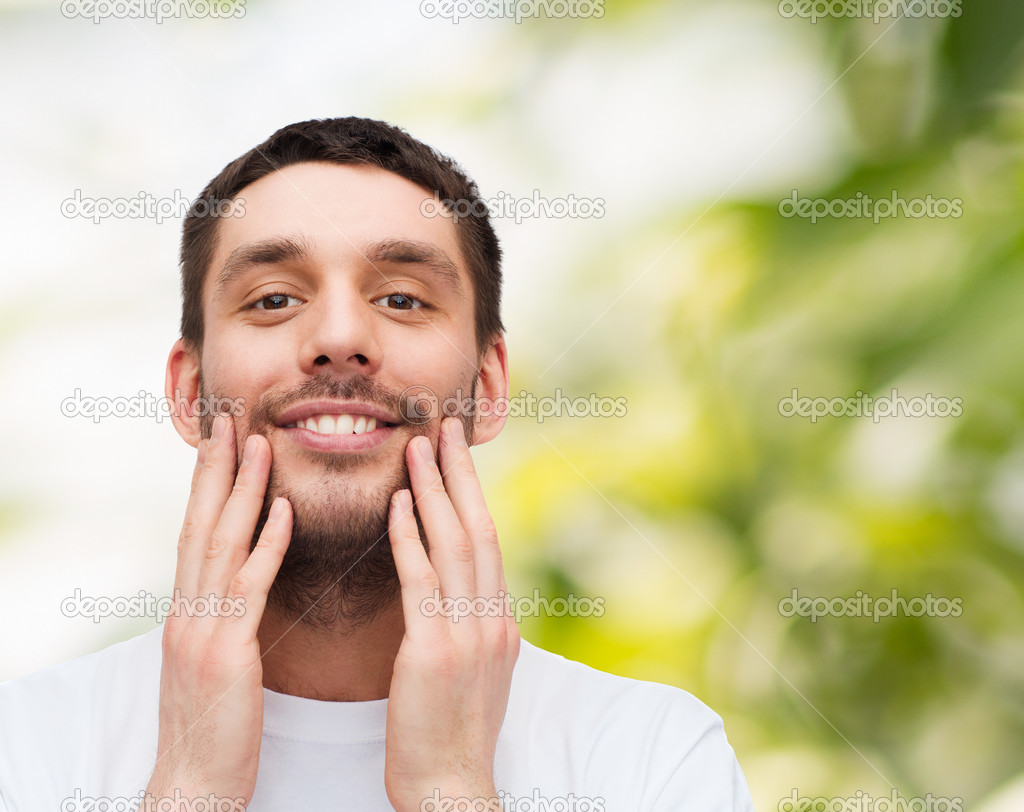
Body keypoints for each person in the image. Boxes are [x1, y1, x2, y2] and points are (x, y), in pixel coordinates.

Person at [0, 118, 754, 812]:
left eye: (401, 297)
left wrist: (451, 787)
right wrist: (190, 789)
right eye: (270, 299)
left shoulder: (651, 758)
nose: (338, 335)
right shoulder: (25, 749)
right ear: (191, 391)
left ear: (486, 388)